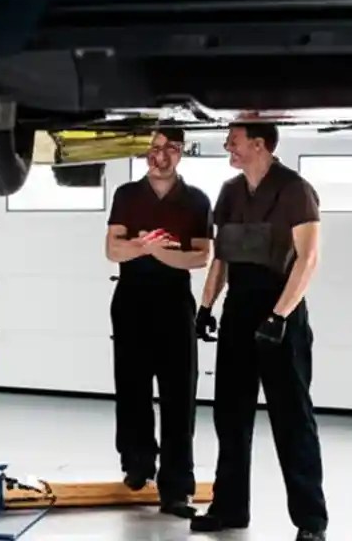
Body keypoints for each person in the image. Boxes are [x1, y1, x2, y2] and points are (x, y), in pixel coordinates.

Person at [190, 123, 328, 541]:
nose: (227, 145)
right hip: (239, 308)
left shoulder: (294, 190)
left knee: (292, 418)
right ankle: (230, 507)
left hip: (280, 309)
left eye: (235, 138)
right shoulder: (230, 192)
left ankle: (311, 522)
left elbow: (308, 259)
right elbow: (222, 258)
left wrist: (279, 316)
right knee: (230, 416)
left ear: (259, 144)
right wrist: (206, 306)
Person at [104, 128, 213, 519]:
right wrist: (152, 248)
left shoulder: (196, 200)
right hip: (131, 299)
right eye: (154, 148)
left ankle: (177, 488)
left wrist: (154, 252)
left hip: (174, 303)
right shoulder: (127, 195)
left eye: (169, 149)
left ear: (181, 153)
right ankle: (137, 464)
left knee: (179, 395)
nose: (160, 156)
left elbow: (201, 257)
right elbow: (111, 249)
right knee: (131, 386)